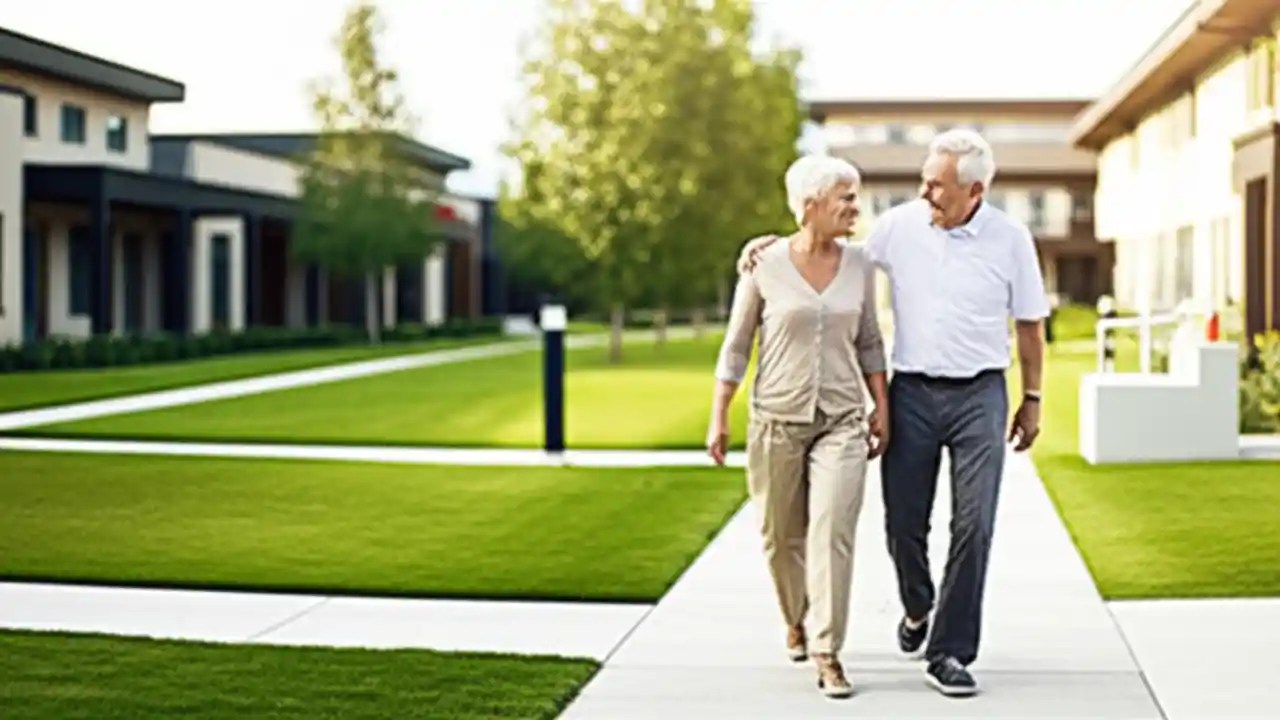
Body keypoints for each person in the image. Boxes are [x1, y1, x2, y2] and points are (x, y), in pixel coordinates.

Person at [736, 129, 1048, 697]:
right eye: (925, 180)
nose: (925, 191)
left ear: (974, 190)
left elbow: (1030, 324)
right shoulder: (897, 228)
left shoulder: (1011, 239)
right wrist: (767, 246)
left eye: (937, 184)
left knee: (974, 523)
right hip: (912, 393)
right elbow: (825, 252)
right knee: (903, 522)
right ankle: (916, 606)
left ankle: (950, 651)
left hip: (981, 394)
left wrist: (1032, 397)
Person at [707, 154, 889, 699]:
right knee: (779, 535)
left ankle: (827, 650)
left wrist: (882, 404)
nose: (855, 207)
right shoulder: (763, 264)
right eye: (846, 197)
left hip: (841, 418)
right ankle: (795, 616)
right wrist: (719, 415)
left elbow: (871, 341)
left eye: (856, 196)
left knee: (832, 528)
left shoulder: (860, 264)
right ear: (811, 203)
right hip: (776, 421)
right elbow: (737, 347)